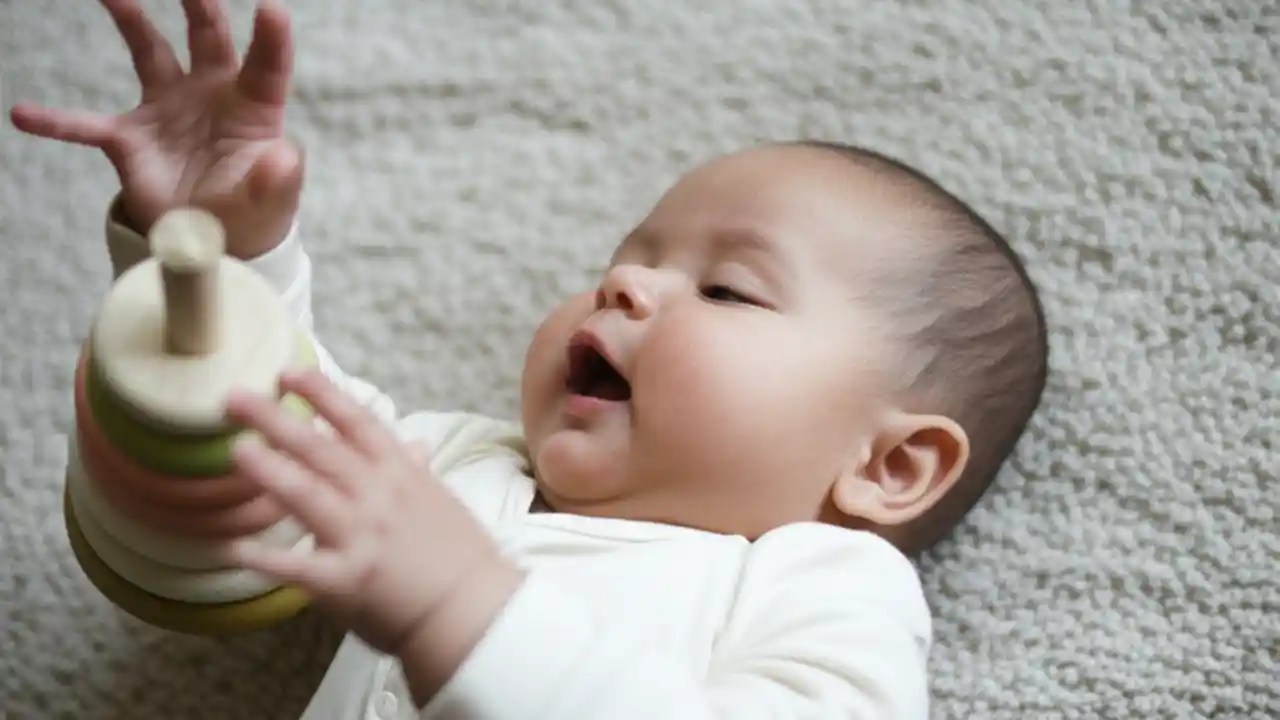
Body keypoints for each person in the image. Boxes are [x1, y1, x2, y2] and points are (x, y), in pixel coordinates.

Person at [11, 1, 1048, 717]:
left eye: (727, 288)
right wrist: (210, 265)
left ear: (887, 467)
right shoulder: (462, 464)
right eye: (626, 261)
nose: (623, 288)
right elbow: (239, 481)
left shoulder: (817, 587)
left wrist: (462, 610)